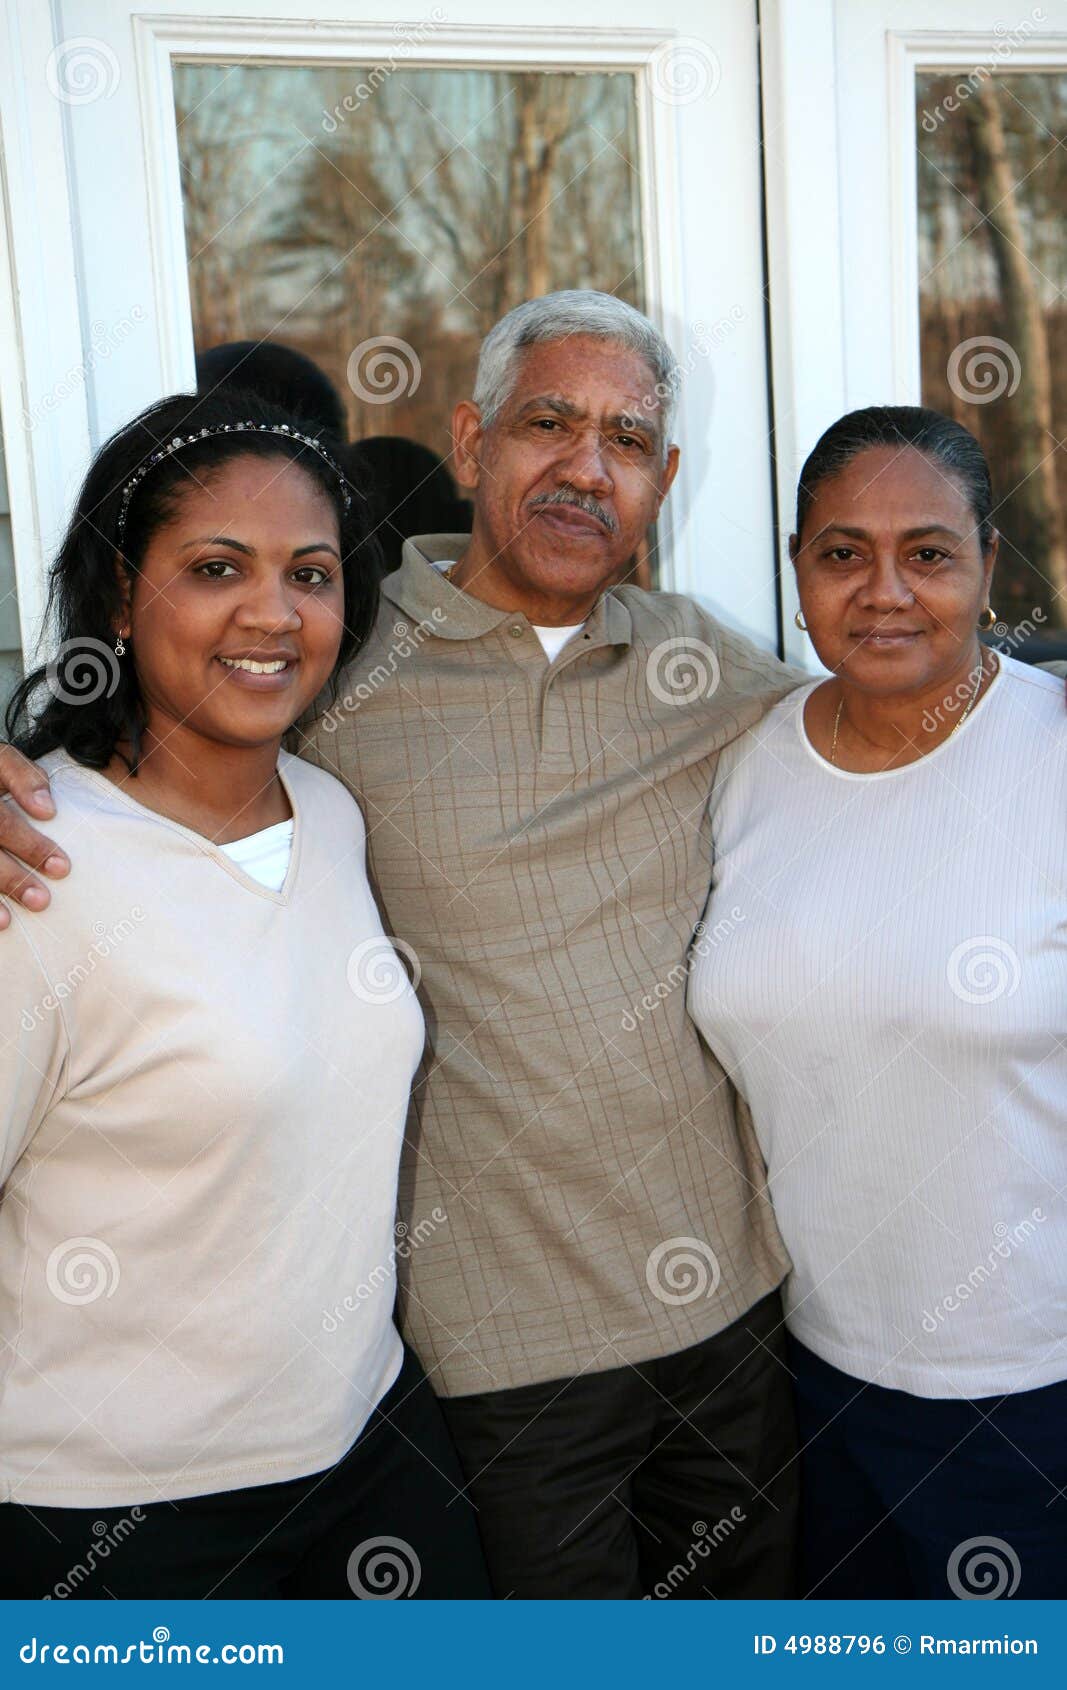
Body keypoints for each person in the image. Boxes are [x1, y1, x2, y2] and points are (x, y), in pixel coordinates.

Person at [0, 292, 803, 1599]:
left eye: (628, 440)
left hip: (718, 1330)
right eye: (547, 421)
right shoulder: (340, 665)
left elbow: (894, 730)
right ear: (471, 440)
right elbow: (145, 752)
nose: (585, 466)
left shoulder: (701, 670)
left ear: (663, 481)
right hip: (483, 1365)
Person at [0, 390, 490, 1599]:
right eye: (217, 567)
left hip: (368, 1439)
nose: (273, 613)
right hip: (119, 1520)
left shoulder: (327, 815)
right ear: (120, 592)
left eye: (310, 574)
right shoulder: (36, 871)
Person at [688, 406, 1067, 1599]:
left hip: (1032, 1390)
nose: (885, 590)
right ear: (795, 571)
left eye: (929, 553)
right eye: (841, 552)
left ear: (986, 567)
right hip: (804, 1384)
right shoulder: (742, 763)